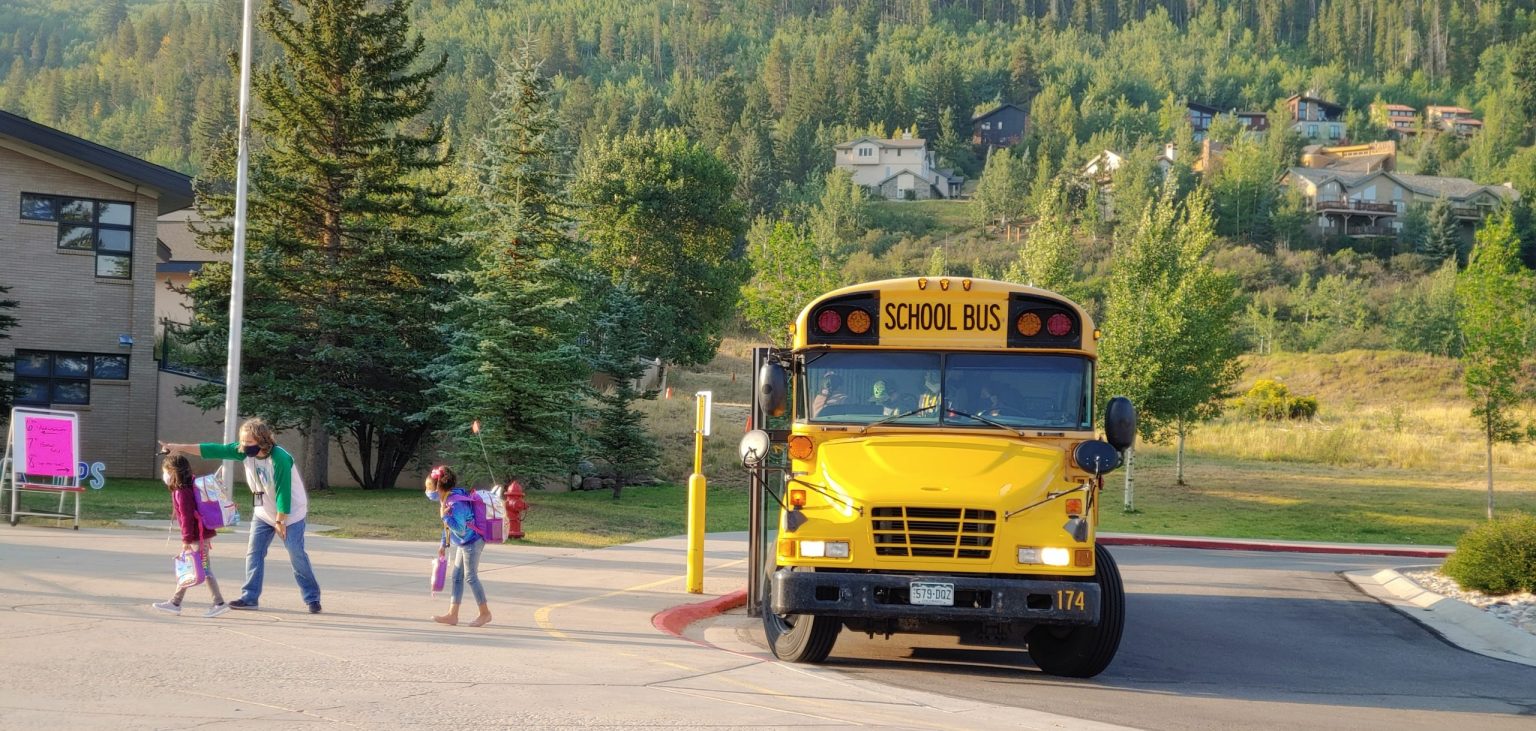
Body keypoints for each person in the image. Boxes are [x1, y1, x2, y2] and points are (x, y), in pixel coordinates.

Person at [159, 417, 323, 614]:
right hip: (264, 513)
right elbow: (213, 449)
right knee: (254, 553)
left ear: (262, 441)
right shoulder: (244, 453)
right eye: (242, 441)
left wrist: (281, 520)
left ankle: (312, 597)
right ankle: (250, 597)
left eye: (249, 442)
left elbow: (283, 492)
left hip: (290, 514)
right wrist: (179, 447)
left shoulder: (279, 458)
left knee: (296, 553)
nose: (244, 446)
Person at [152, 454, 230, 618]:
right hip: (200, 534)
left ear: (173, 472)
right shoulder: (187, 485)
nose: (164, 475)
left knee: (203, 568)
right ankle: (175, 602)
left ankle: (219, 603)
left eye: (165, 471)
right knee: (192, 567)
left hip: (197, 536)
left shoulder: (182, 491)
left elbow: (187, 517)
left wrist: (186, 540)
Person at [425, 465, 492, 627]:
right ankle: (452, 615)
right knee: (456, 577)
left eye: (429, 487)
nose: (428, 491)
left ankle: (485, 613)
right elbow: (450, 527)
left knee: (470, 576)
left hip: (472, 541)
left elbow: (460, 528)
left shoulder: (455, 503)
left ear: (439, 487)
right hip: (464, 541)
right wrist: (443, 544)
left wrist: (445, 518)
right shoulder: (447, 498)